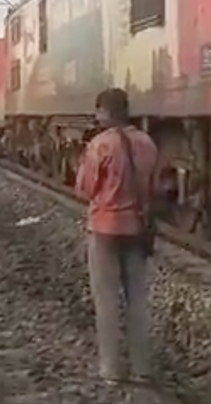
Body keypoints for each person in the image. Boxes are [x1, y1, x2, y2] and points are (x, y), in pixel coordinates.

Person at [74, 88, 159, 386]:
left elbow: (84, 189)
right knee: (137, 300)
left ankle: (111, 369)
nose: (97, 117)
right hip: (137, 229)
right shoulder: (147, 143)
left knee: (107, 301)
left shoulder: (101, 145)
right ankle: (142, 369)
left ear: (106, 112)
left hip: (105, 229)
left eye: (99, 112)